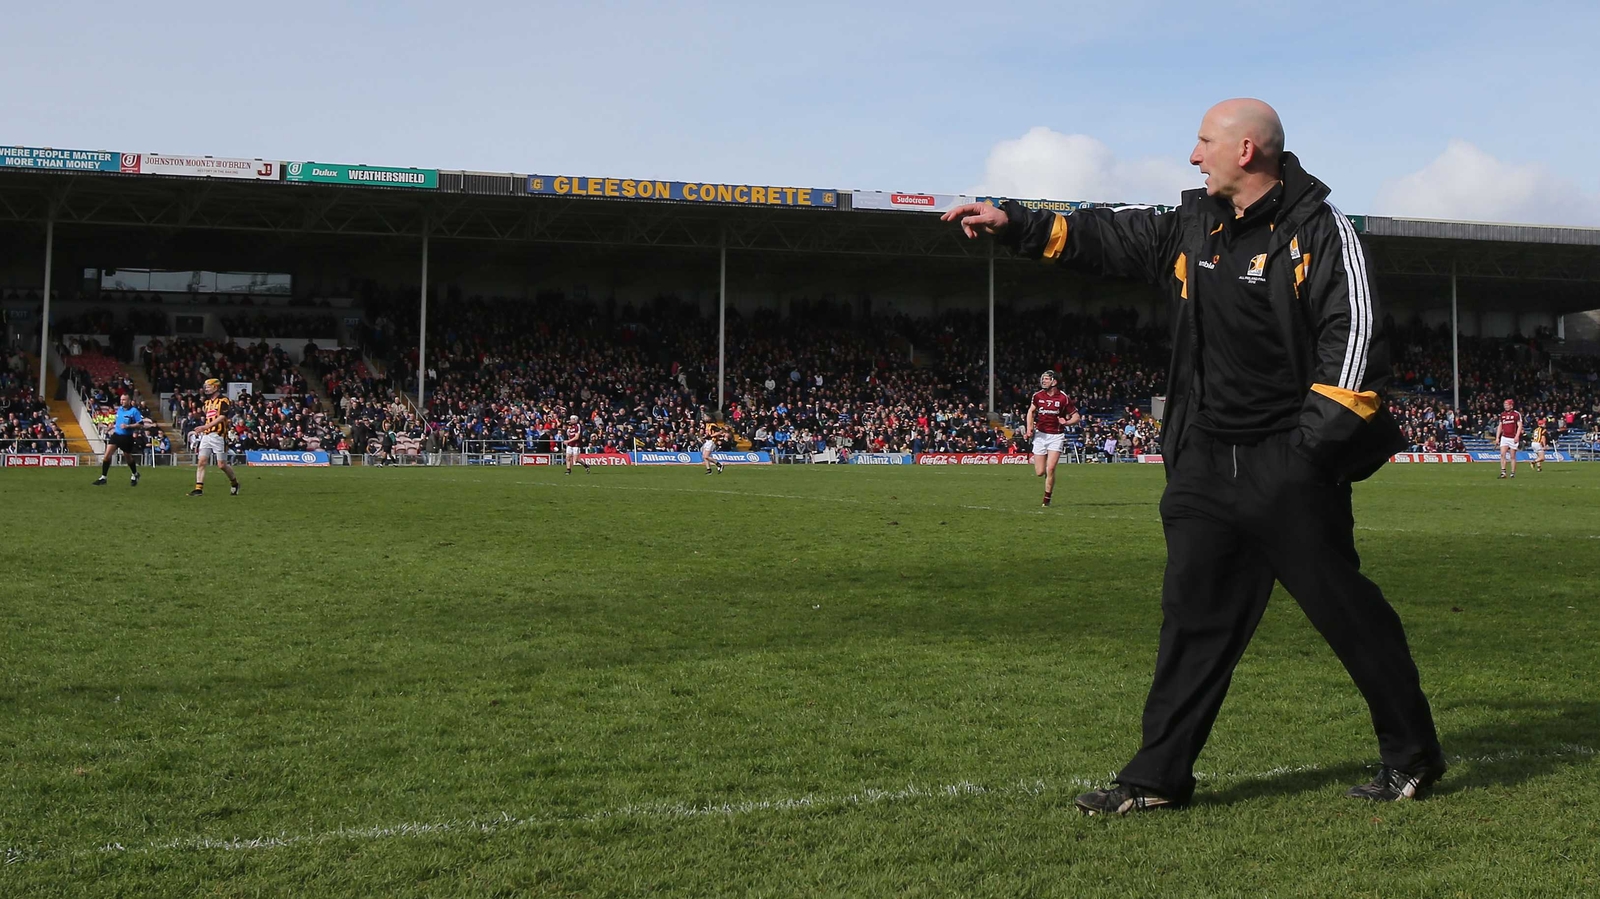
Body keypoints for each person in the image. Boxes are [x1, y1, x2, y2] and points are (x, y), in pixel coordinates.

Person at [943, 98, 1443, 811]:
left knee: (1346, 614)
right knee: (1191, 618)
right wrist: (1014, 221)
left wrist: (1307, 454)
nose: (1191, 154)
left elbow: (1355, 334)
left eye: (1203, 141)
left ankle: (1415, 756)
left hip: (1289, 466)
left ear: (1245, 151)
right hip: (1205, 463)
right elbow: (1106, 236)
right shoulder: (1193, 223)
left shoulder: (1319, 228)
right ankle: (1157, 779)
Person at [1025, 370, 1080, 507]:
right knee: (1040, 472)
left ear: (1054, 382)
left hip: (1056, 436)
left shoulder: (1063, 398)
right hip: (1040, 435)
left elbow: (1076, 417)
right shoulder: (1037, 396)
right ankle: (1047, 480)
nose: (1043, 381)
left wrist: (1066, 423)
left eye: (1047, 379)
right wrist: (1029, 428)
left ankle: (1047, 499)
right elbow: (1031, 411)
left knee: (1050, 469)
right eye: (1043, 379)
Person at [188, 379, 240, 497]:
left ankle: (235, 483)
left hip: (219, 435)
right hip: (207, 435)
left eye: (209, 386)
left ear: (216, 387)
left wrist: (205, 426)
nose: (206, 388)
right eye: (205, 386)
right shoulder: (207, 403)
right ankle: (198, 488)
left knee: (221, 465)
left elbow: (222, 417)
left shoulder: (224, 400)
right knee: (201, 461)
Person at [93, 393, 156, 487]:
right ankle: (103, 477)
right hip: (116, 435)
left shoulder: (134, 411)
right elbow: (118, 421)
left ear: (129, 401)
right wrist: (112, 426)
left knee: (127, 457)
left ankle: (135, 474)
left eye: (124, 400)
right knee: (107, 455)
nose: (122, 401)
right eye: (121, 399)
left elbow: (140, 424)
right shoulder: (119, 410)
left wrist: (128, 426)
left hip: (127, 437)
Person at [1496, 398, 1523, 479]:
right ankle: (1503, 472)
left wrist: (1517, 436)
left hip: (1513, 437)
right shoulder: (1502, 415)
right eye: (1505, 405)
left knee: (1512, 456)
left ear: (1511, 405)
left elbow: (1520, 426)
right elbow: (1500, 426)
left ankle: (1512, 473)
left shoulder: (1516, 414)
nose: (1506, 406)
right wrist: (1497, 437)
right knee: (1502, 454)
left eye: (1507, 405)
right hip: (1504, 437)